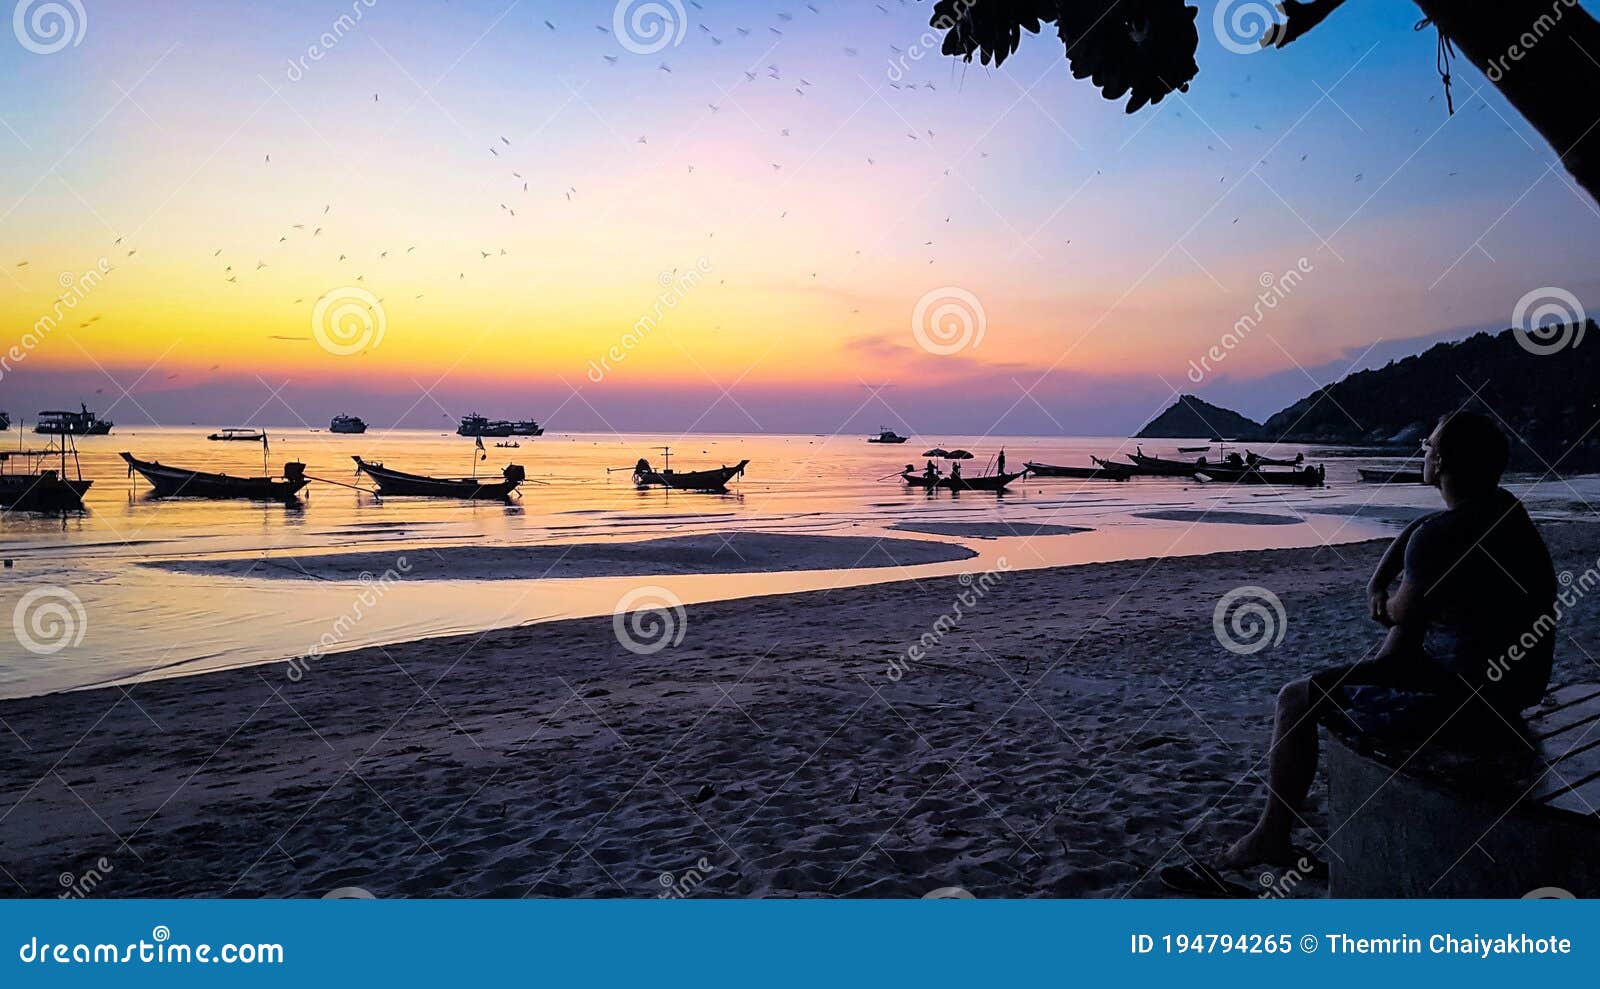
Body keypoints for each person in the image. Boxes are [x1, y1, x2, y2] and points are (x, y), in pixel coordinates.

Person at [1218, 411, 1555, 869]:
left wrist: (1379, 596)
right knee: (1410, 635)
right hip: (1513, 689)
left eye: (1427, 445)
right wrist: (1381, 574)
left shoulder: (1441, 538)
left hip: (1464, 705)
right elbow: (1420, 532)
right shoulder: (1504, 509)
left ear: (1442, 462)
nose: (1423, 451)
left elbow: (1395, 612)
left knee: (1294, 699)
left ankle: (1270, 835)